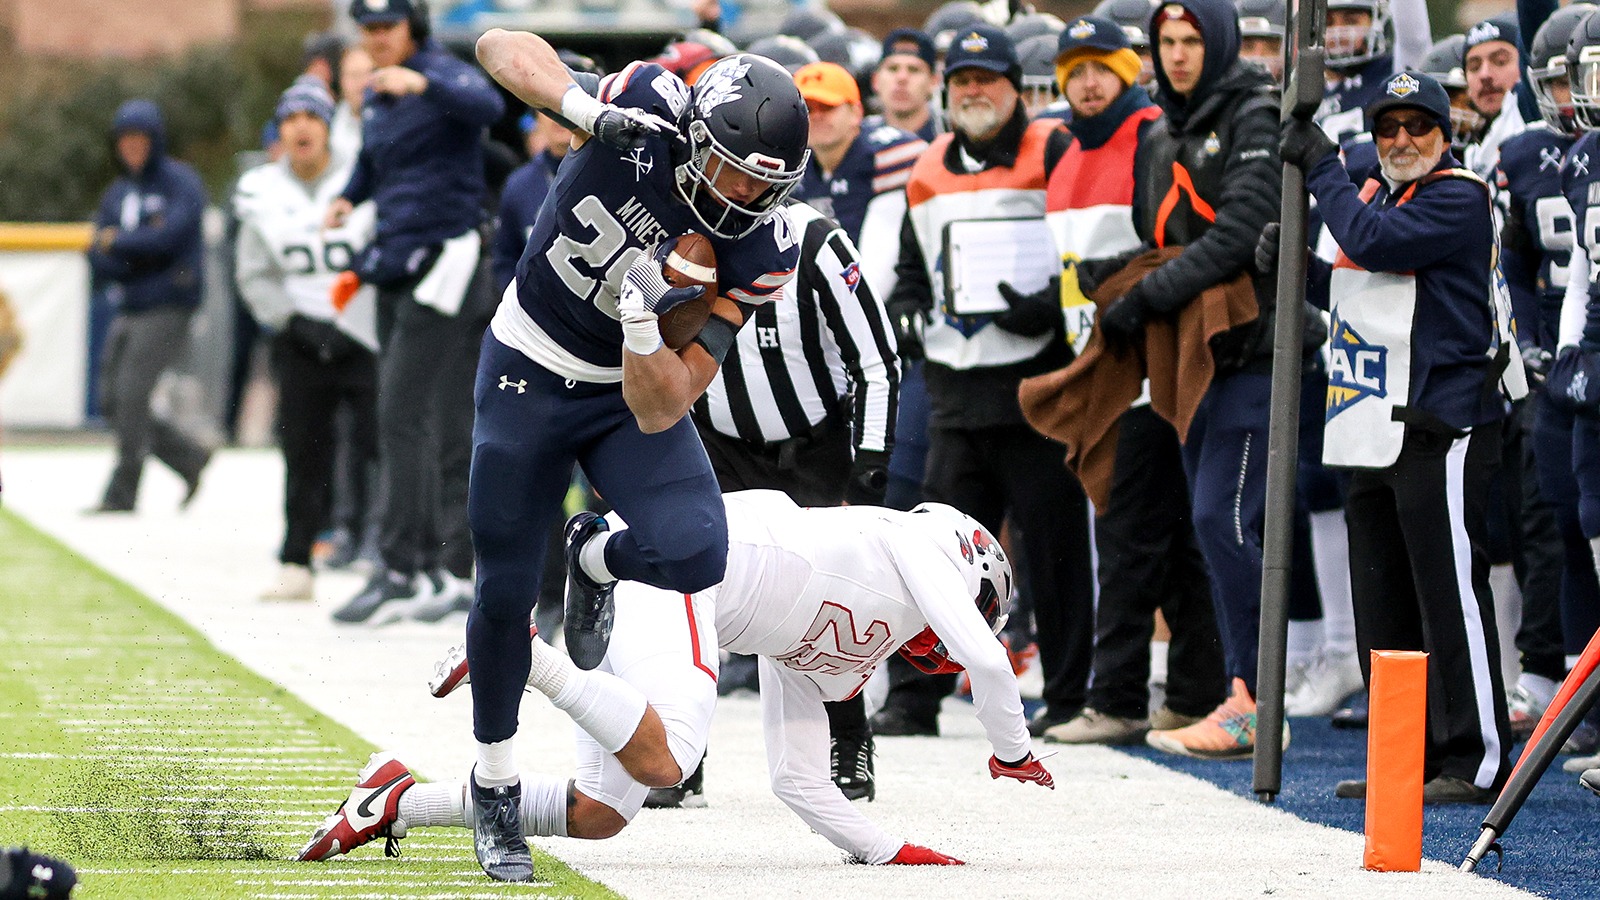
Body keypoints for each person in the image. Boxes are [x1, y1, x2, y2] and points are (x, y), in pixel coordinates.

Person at [463, 31, 807, 880]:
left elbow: (665, 406)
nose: (743, 196)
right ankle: (496, 785)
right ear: (696, 136)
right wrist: (588, 113)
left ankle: (597, 555)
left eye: (766, 183)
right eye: (734, 170)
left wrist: (647, 313)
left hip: (622, 395)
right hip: (530, 367)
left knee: (697, 551)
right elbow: (497, 45)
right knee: (505, 588)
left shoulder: (765, 251)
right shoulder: (649, 105)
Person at [297, 491, 1053, 872]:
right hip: (685, 572)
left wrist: (886, 849)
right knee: (669, 762)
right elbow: (987, 660)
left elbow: (797, 780)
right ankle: (529, 657)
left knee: (599, 812)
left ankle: (398, 799)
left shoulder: (851, 641)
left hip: (676, 590)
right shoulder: (911, 541)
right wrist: (1012, 748)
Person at [1280, 69, 1517, 803]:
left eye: (1419, 126)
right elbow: (1366, 288)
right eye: (1388, 128)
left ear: (1446, 135)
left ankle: (1474, 758)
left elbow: (1375, 244)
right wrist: (1297, 272)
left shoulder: (1458, 195)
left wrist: (1322, 166)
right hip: (1370, 422)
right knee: (1384, 601)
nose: (1403, 139)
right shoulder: (1382, 198)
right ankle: (1402, 756)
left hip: (1440, 423)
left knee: (1447, 594)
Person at [874, 24, 1093, 741]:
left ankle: (1066, 696)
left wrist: (1054, 304)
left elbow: (1083, 246)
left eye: (986, 79)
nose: (973, 92)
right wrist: (905, 309)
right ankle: (913, 697)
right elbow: (912, 267)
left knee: (1055, 551)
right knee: (931, 558)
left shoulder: (1055, 149)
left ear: (1014, 85)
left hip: (1036, 388)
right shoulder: (928, 162)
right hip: (956, 394)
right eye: (962, 79)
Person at [1026, 15, 1226, 746]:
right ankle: (1195, 691)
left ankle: (1118, 698)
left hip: (1147, 366)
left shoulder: (1147, 134)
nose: (1086, 82)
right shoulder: (1063, 147)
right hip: (1100, 361)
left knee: (1132, 535)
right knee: (1165, 537)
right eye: (1073, 68)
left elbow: (1162, 244)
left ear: (1129, 71)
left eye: (1100, 67)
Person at [676, 197, 900, 806]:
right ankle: (681, 752)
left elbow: (877, 360)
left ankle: (848, 739)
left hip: (813, 443)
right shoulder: (672, 226)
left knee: (825, 603)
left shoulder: (818, 242)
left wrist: (869, 467)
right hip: (716, 436)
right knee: (692, 593)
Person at [1109, 0, 1282, 759]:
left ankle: (1256, 697)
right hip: (1190, 356)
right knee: (1210, 523)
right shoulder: (1157, 129)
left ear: (1219, 43)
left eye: (1191, 41)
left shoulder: (1256, 111)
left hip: (1256, 349)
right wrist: (1125, 286)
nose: (1178, 55)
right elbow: (1157, 233)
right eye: (1167, 41)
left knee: (1223, 518)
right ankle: (1238, 691)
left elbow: (1242, 231)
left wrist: (1149, 294)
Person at [326, 0, 504, 625]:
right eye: (368, 29)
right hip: (394, 261)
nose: (376, 40)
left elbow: (491, 107)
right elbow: (373, 164)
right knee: (409, 416)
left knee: (402, 413)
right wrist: (347, 198)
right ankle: (429, 564)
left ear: (414, 29)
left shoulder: (438, 72)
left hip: (443, 262)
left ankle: (401, 566)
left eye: (387, 28)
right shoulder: (378, 93)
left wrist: (424, 79)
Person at [1494, 4, 1600, 737]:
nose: (1573, 94)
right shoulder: (1540, 153)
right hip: (1573, 354)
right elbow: (1520, 263)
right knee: (1564, 519)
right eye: (1564, 81)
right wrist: (1544, 349)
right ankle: (1573, 686)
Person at [234, 77, 378, 602]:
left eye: (312, 117)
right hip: (299, 338)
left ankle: (399, 553)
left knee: (384, 442)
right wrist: (291, 321)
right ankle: (297, 560)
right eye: (291, 117)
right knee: (303, 451)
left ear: (327, 127)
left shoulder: (360, 177)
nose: (301, 127)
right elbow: (253, 274)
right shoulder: (263, 192)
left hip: (365, 334)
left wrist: (361, 312)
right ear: (281, 128)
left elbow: (383, 248)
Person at [86, 99, 214, 515]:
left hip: (168, 302)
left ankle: (122, 492)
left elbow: (169, 239)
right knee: (111, 397)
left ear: (155, 141)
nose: (133, 148)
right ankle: (188, 457)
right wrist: (132, 246)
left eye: (141, 139)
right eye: (126, 140)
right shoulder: (119, 191)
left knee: (133, 394)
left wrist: (120, 243)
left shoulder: (181, 182)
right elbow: (98, 253)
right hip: (132, 302)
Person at [865, 29, 944, 142]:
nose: (902, 78)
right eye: (893, 69)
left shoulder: (947, 138)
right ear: (875, 80)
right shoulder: (858, 139)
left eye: (913, 70)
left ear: (933, 81)